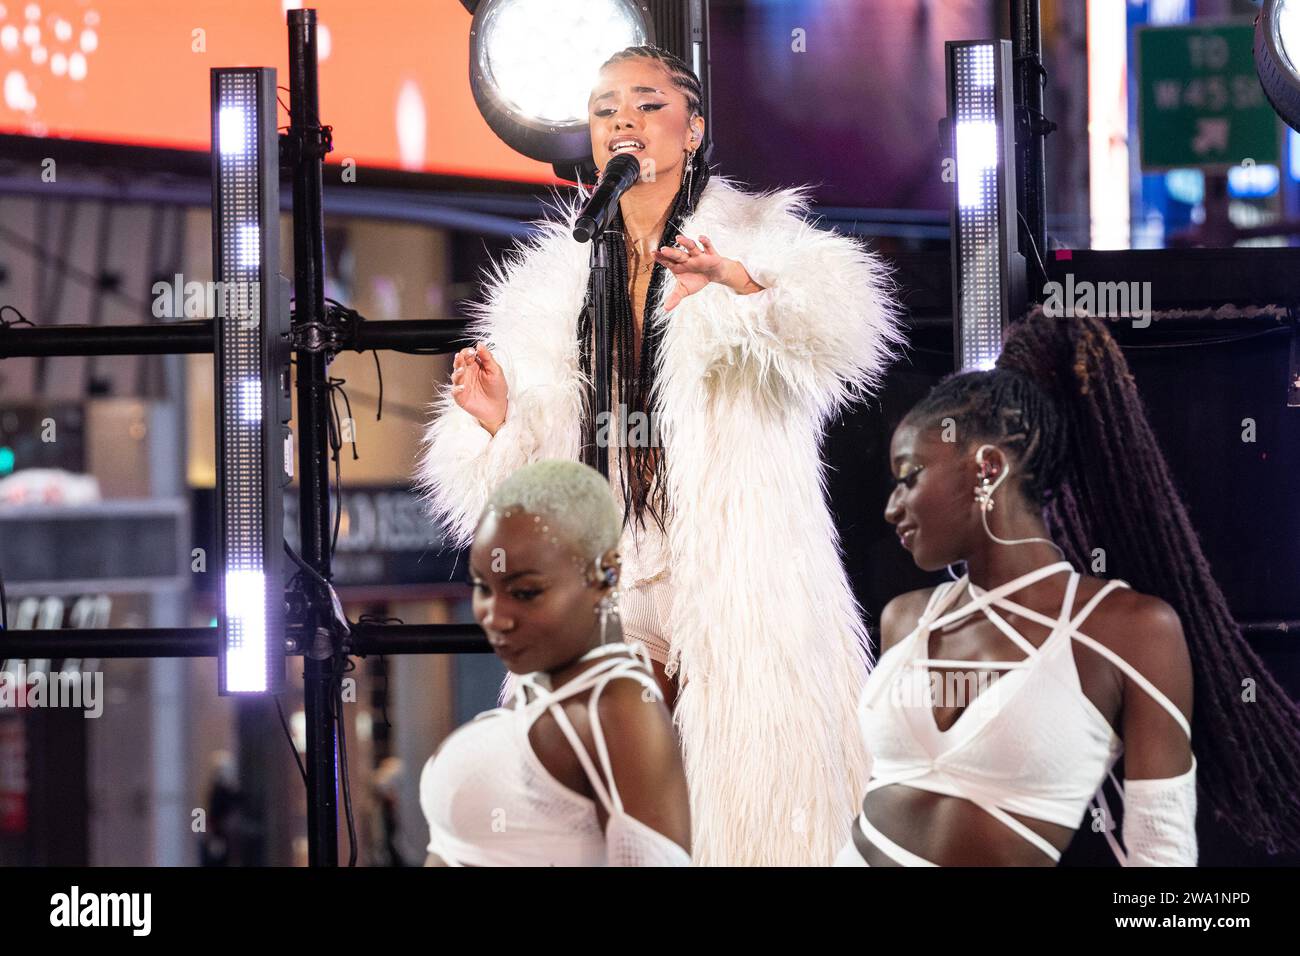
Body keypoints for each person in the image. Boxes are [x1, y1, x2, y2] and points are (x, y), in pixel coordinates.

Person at [417, 45, 903, 865]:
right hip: (616, 564)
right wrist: (499, 427)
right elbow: (520, 488)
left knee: (754, 805)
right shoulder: (549, 286)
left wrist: (743, 287)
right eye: (606, 110)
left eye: (646, 104)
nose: (623, 123)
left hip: (737, 562)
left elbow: (844, 334)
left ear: (693, 125)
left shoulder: (761, 238)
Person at [837, 315, 1300, 865]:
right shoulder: (906, 619)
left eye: (908, 475)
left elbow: (1162, 850)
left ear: (986, 469)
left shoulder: (1131, 630)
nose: (892, 508)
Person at [418, 460, 691, 866]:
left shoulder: (617, 711)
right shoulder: (549, 703)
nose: (494, 615)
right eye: (483, 586)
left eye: (526, 591)